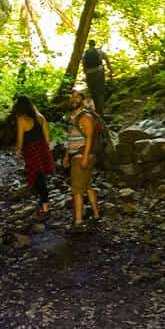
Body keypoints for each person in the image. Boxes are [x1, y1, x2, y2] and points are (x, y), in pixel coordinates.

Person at [63, 87, 100, 231]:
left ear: (83, 100)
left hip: (82, 156)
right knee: (87, 186)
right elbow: (71, 138)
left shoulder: (85, 117)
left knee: (77, 190)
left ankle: (78, 222)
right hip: (76, 155)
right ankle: (96, 214)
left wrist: (84, 158)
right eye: (72, 97)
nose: (74, 100)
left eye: (77, 97)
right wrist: (67, 155)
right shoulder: (73, 116)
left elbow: (90, 138)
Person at [13, 95, 55, 221]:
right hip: (42, 150)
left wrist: (18, 151)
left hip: (31, 151)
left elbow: (20, 139)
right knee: (41, 178)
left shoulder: (21, 119)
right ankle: (44, 204)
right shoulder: (41, 117)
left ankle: (45, 208)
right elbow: (47, 139)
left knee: (38, 180)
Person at [82, 38, 112, 116]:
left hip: (90, 75)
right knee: (100, 92)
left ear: (89, 45)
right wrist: (110, 70)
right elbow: (107, 59)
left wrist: (86, 76)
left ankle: (97, 112)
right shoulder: (99, 51)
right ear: (94, 44)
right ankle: (101, 112)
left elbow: (84, 67)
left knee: (93, 93)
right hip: (99, 72)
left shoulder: (85, 54)